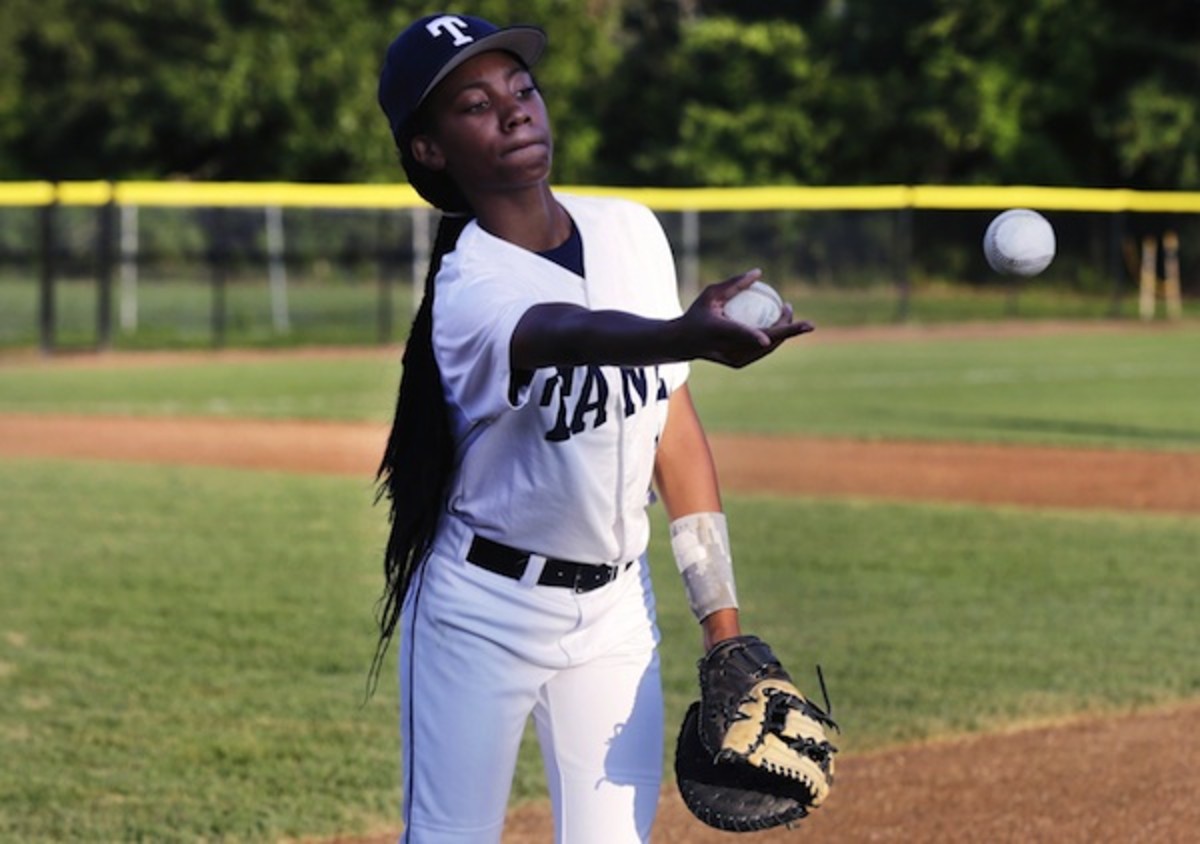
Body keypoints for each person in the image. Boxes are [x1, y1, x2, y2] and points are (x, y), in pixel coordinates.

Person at [371, 13, 815, 844]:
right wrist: (680, 334)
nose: (514, 111)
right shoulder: (471, 289)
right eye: (475, 104)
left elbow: (672, 428)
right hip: (481, 610)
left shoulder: (629, 229)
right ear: (429, 150)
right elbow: (566, 333)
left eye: (522, 88)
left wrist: (722, 626)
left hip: (616, 610)